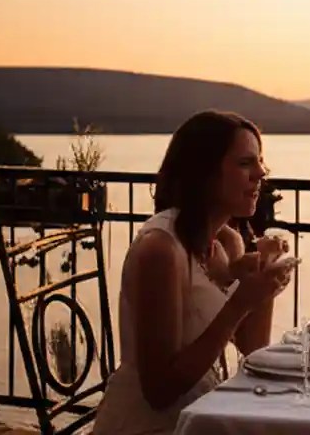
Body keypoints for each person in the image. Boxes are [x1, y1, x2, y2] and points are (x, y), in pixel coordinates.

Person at [93, 111, 294, 435]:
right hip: (152, 426)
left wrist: (263, 279)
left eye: (259, 161)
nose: (260, 173)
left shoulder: (225, 240)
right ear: (205, 173)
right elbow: (159, 392)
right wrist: (239, 302)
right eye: (245, 163)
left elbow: (253, 348)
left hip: (203, 413)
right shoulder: (160, 249)